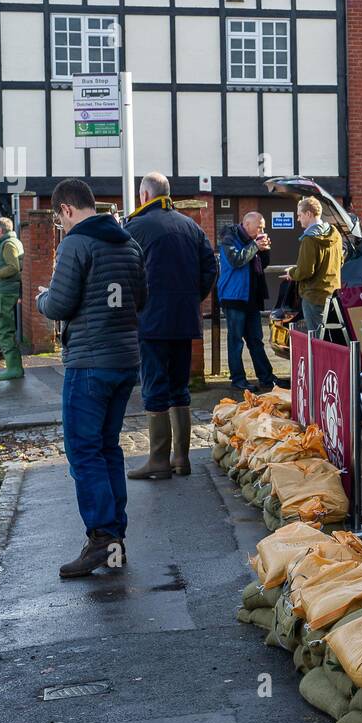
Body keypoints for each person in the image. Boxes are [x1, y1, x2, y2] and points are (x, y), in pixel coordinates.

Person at [36, 178, 147, 578]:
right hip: (124, 361)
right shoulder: (129, 243)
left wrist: (41, 298)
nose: (59, 227)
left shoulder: (76, 245)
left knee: (84, 451)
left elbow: (61, 303)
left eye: (57, 219)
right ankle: (114, 540)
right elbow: (141, 298)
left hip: (88, 362)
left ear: (66, 209)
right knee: (107, 447)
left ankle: (101, 538)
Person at [124, 172, 218, 480]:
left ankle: (158, 459)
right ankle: (182, 457)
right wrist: (193, 298)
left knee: (154, 387)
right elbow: (210, 267)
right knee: (180, 387)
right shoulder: (191, 226)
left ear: (144, 195)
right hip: (184, 318)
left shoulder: (135, 227)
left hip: (151, 321)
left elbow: (126, 273)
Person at [218, 211, 276, 393]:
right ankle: (238, 380)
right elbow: (236, 260)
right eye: (259, 226)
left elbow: (262, 264)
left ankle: (266, 378)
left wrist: (264, 250)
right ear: (247, 224)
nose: (262, 229)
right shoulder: (229, 238)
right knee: (235, 341)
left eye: (263, 226)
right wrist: (255, 246)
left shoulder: (254, 242)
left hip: (251, 298)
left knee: (256, 340)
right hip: (234, 297)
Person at [282, 196, 343, 334]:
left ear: (308, 214)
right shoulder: (336, 234)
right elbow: (341, 261)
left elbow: (305, 271)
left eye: (300, 215)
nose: (298, 219)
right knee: (332, 339)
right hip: (333, 294)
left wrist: (291, 272)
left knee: (316, 340)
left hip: (314, 296)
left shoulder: (309, 239)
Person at [0, 217, 25, 381]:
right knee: (3, 329)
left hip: (3, 292)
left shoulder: (9, 244)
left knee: (3, 330)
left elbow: (13, 268)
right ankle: (13, 367)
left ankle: (14, 368)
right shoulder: (8, 244)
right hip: (1, 291)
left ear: (0, 230)